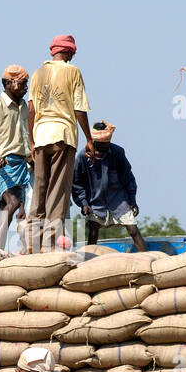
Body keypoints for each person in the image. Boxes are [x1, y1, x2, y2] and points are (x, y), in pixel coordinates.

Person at [27, 34, 96, 252]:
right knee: (57, 192)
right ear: (69, 52)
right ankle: (49, 246)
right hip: (62, 135)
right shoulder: (72, 71)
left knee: (39, 190)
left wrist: (31, 139)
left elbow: (31, 110)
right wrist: (89, 139)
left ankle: (31, 243)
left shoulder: (38, 73)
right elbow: (78, 108)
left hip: (40, 136)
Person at [0, 65, 34, 251]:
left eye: (26, 83)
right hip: (4, 163)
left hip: (23, 164)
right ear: (8, 83)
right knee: (12, 203)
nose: (25, 88)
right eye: (22, 83)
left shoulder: (24, 106)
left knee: (8, 210)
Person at [71, 121, 145, 250]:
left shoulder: (118, 153)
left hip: (118, 200)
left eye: (104, 146)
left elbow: (128, 177)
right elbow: (77, 183)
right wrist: (84, 203)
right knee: (93, 232)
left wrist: (132, 200)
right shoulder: (83, 156)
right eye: (98, 146)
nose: (100, 149)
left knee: (133, 230)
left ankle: (146, 259)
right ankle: (89, 262)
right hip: (95, 202)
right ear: (93, 142)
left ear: (109, 143)